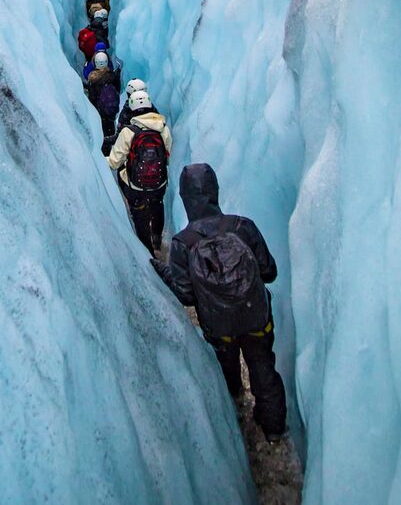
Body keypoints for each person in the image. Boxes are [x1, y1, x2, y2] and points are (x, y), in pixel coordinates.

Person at [152, 163, 287, 443]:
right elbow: (269, 272)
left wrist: (162, 270)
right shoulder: (242, 226)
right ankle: (273, 428)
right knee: (263, 369)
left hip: (219, 326)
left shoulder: (182, 243)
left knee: (226, 369)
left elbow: (186, 294)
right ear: (214, 192)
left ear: (185, 198)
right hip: (256, 318)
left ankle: (233, 406)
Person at [107, 91, 171, 255]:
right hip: (159, 182)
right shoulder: (163, 129)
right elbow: (167, 155)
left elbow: (115, 162)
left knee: (139, 214)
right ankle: (157, 237)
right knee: (157, 205)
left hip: (135, 186)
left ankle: (148, 252)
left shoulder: (128, 132)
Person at [87, 52, 121, 153]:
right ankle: (109, 156)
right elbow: (117, 91)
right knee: (109, 135)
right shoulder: (112, 77)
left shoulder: (93, 80)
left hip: (98, 114)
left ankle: (101, 157)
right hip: (110, 115)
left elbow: (92, 98)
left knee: (100, 137)